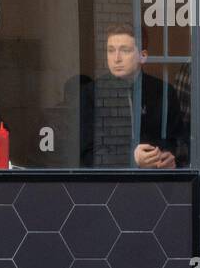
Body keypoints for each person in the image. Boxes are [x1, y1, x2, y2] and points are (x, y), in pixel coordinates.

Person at [80, 24, 188, 168]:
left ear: (142, 56)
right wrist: (131, 158)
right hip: (109, 186)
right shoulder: (91, 93)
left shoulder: (164, 91)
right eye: (110, 50)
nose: (116, 58)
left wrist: (172, 158)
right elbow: (86, 153)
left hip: (158, 183)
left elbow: (181, 142)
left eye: (125, 50)